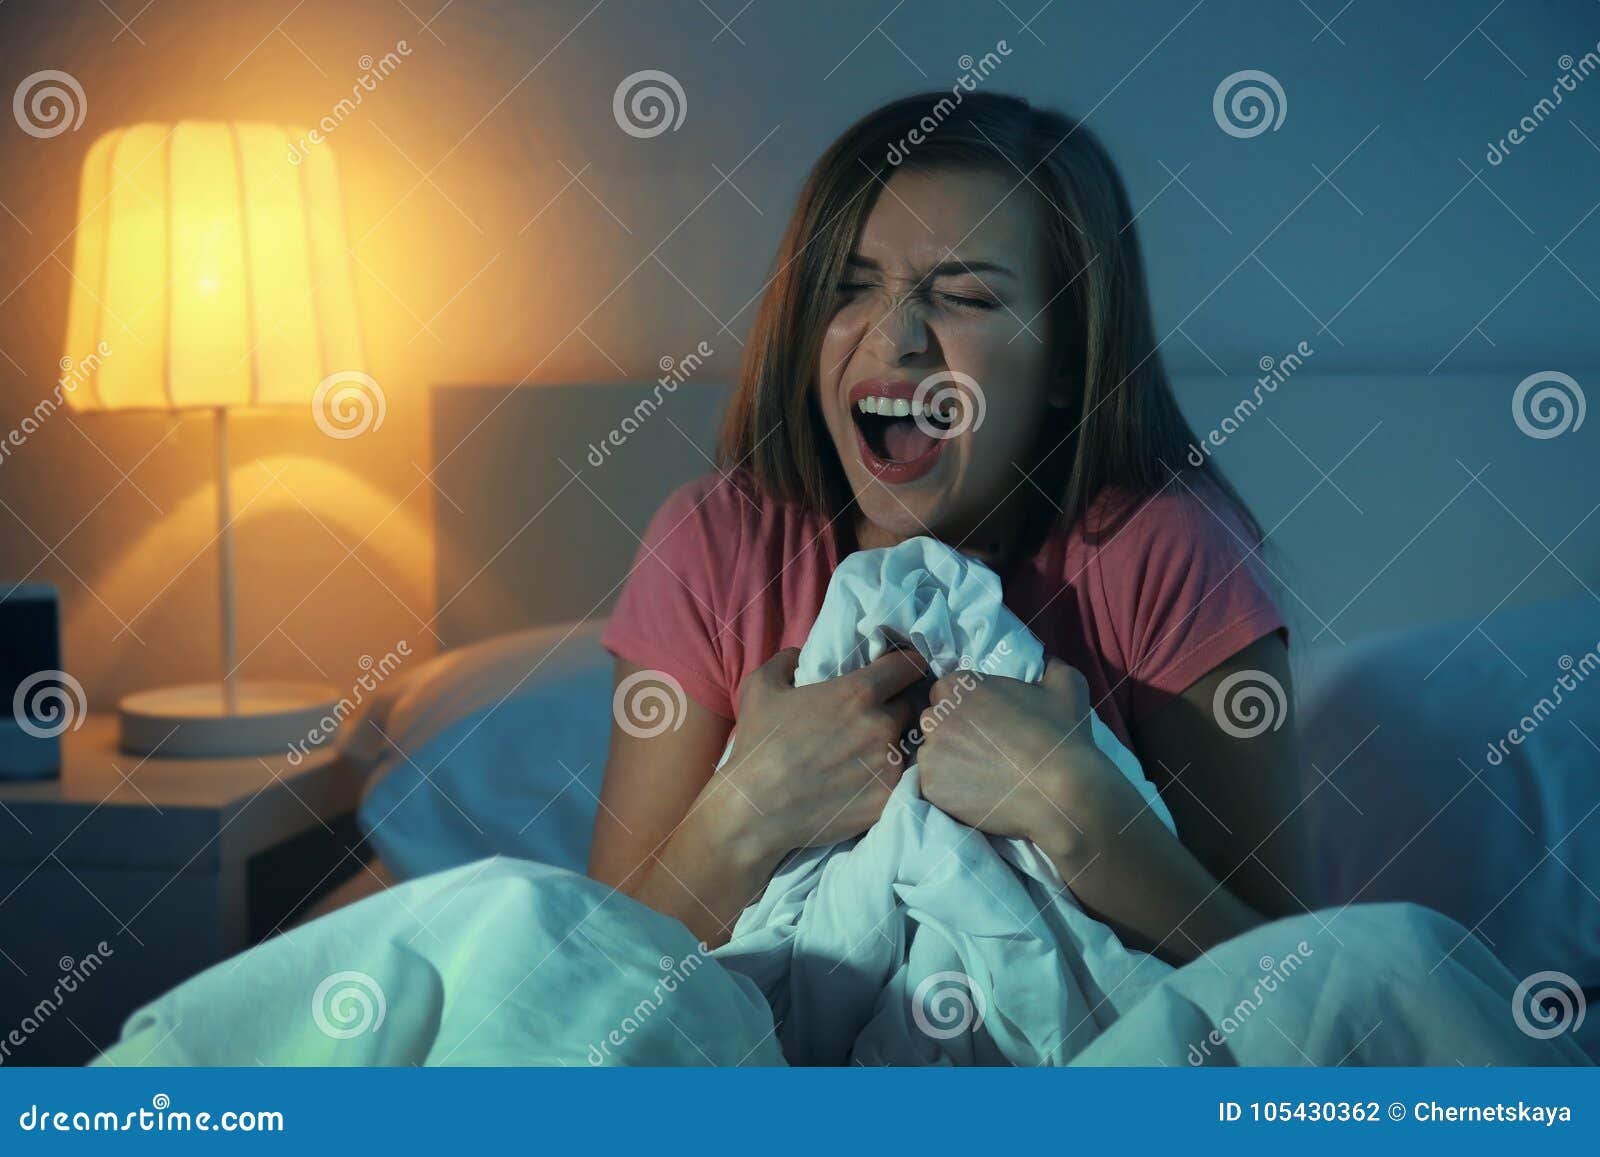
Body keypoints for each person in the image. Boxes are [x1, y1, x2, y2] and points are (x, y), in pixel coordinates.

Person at [589, 91, 1306, 963]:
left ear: (1067, 360)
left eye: (964, 296)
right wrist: (749, 810)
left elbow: (1299, 985)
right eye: (849, 288)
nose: (895, 337)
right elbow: (597, 976)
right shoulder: (713, 545)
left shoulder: (1172, 554)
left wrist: (1082, 815)